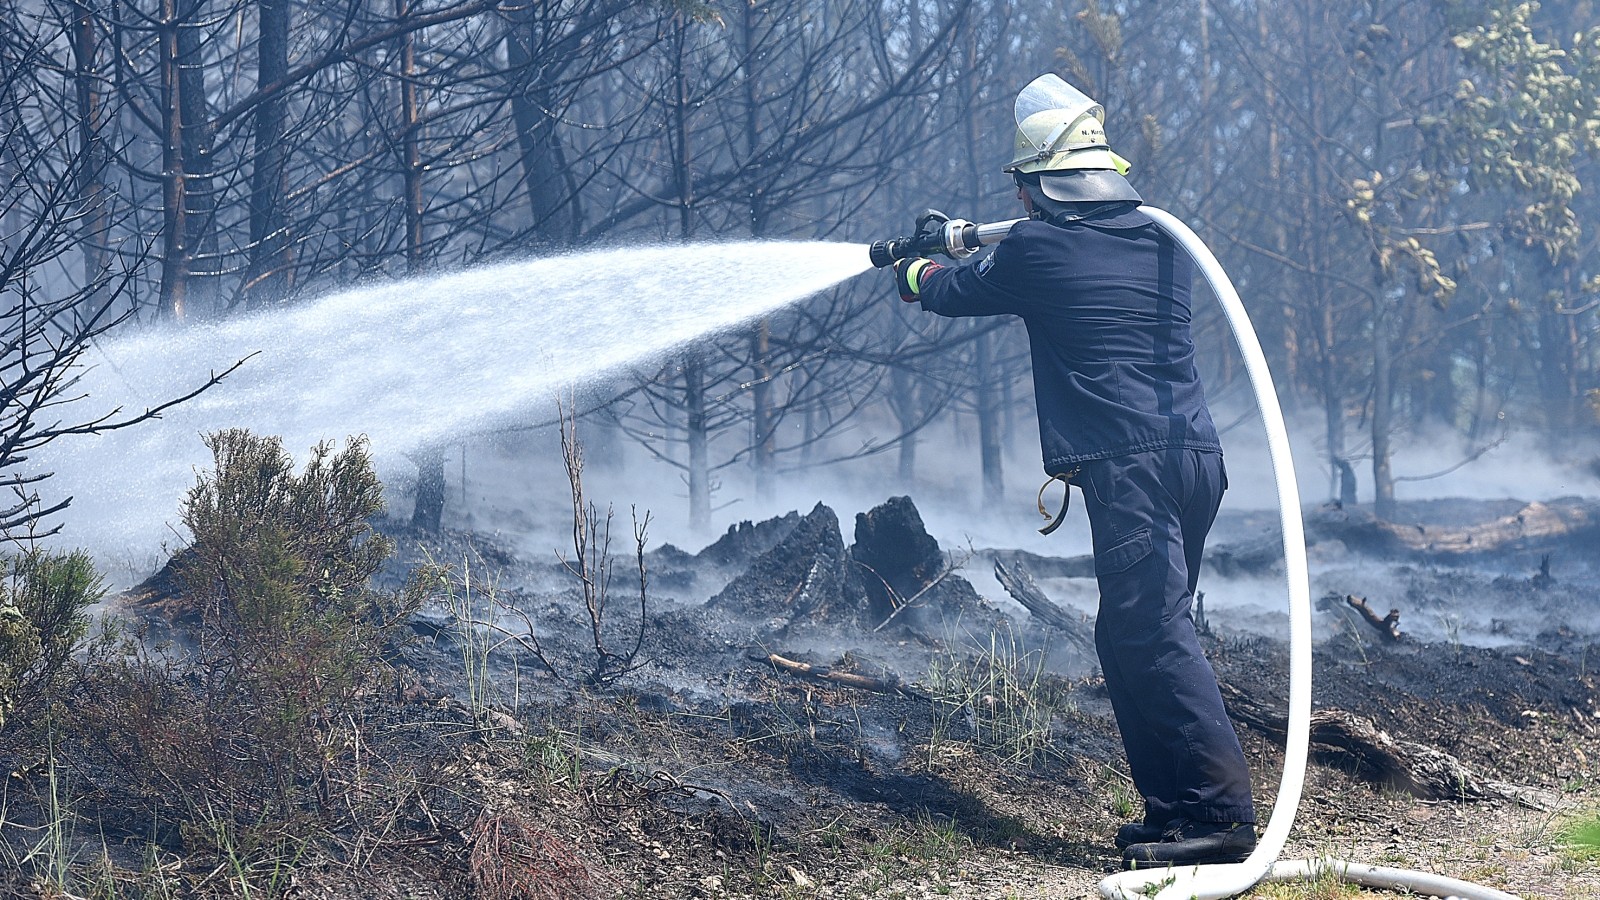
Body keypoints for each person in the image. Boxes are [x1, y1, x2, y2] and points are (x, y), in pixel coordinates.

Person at [891, 74, 1256, 869]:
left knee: (1153, 633)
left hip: (1132, 470)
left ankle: (1221, 817)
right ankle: (1173, 813)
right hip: (1195, 460)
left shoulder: (1033, 249)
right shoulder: (1162, 240)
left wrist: (916, 268)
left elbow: (951, 292)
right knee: (1129, 633)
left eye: (1023, 192)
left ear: (1034, 190)